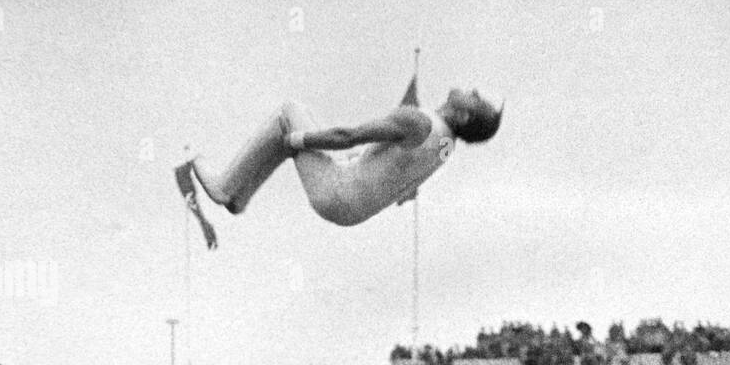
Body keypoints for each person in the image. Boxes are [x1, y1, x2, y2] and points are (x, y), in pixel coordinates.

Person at [187, 89, 502, 227]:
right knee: (300, 127)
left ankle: (226, 188)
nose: (473, 90)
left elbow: (347, 136)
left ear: (461, 115)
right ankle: (239, 197)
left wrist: (296, 139)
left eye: (477, 100)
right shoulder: (448, 145)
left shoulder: (419, 122)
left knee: (289, 113)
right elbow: (412, 183)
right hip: (356, 209)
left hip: (337, 192)